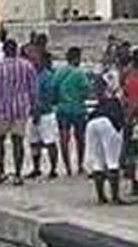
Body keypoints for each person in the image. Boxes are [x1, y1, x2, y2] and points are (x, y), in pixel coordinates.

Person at [0, 39, 37, 186]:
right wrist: (33, 106)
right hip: (21, 108)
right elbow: (33, 89)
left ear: (3, 51)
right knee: (18, 141)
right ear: (16, 50)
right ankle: (17, 174)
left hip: (2, 108)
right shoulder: (27, 66)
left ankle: (1, 171)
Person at [85, 77, 126, 204]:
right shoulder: (115, 100)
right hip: (109, 123)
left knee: (98, 162)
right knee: (113, 161)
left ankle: (101, 197)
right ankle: (115, 197)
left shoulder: (98, 102)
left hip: (92, 123)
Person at [53, 46, 90, 176]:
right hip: (78, 109)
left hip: (62, 109)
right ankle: (80, 165)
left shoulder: (59, 72)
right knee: (80, 138)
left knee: (64, 138)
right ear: (77, 58)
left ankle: (67, 167)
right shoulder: (80, 73)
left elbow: (54, 88)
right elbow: (86, 92)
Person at [26, 51, 59, 179]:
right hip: (31, 112)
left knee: (50, 141)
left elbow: (47, 97)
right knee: (34, 142)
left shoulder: (48, 76)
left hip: (45, 114)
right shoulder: (31, 75)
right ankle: (36, 167)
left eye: (36, 59)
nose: (34, 62)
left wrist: (38, 111)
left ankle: (53, 169)